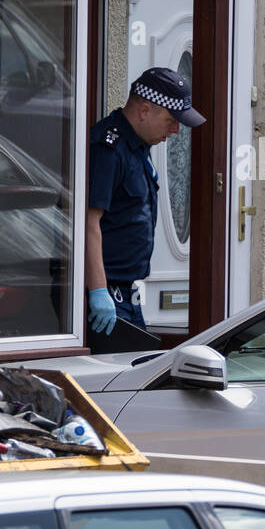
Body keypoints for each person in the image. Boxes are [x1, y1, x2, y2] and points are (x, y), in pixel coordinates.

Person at [86, 66, 204, 335]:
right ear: (144, 110)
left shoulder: (137, 147)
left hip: (125, 291)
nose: (175, 130)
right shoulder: (108, 149)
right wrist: (98, 290)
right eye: (171, 120)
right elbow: (88, 222)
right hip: (107, 290)